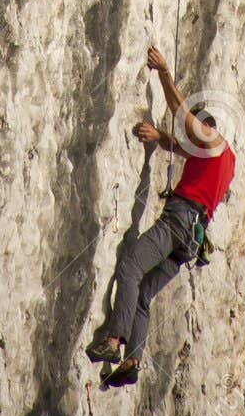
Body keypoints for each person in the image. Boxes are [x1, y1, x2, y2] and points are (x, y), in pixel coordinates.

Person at [86, 46, 236, 387]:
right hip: (191, 241)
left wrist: (165, 72)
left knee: (130, 267)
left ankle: (113, 340)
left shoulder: (212, 138)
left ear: (206, 126)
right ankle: (133, 360)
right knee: (142, 294)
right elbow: (179, 146)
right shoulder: (226, 160)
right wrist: (159, 138)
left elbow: (179, 110)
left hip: (179, 221)